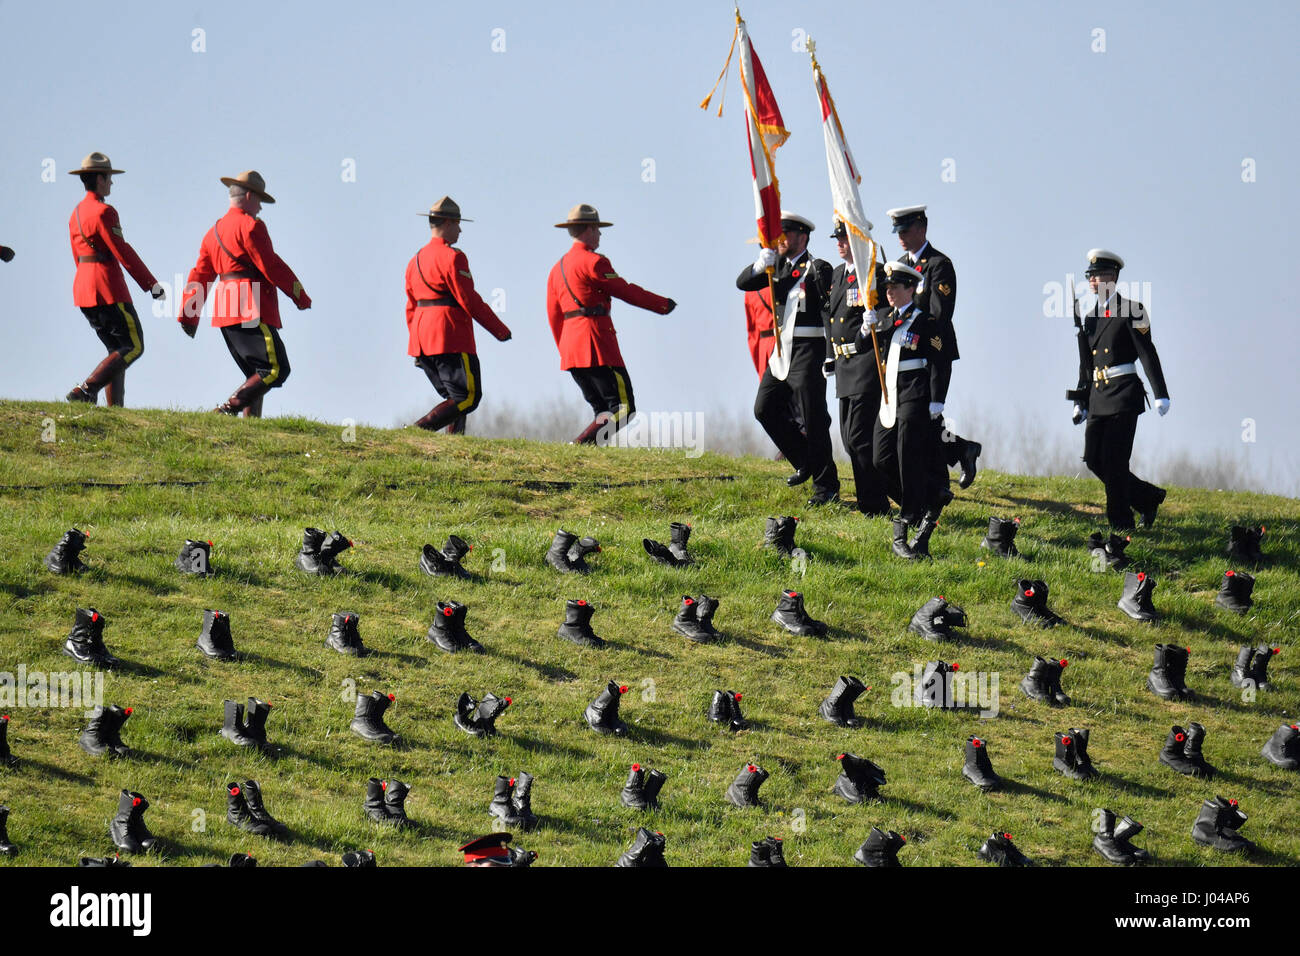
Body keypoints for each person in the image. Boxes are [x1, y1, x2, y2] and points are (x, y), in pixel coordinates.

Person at [177, 170, 311, 417]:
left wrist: (189, 314)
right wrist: (299, 295)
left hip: (225, 311)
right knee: (275, 369)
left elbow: (200, 276)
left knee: (255, 373)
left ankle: (250, 431)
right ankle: (227, 408)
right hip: (249, 304)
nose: (260, 208)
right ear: (249, 195)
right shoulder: (252, 227)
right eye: (259, 200)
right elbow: (271, 265)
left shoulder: (213, 232)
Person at [547, 203, 675, 444]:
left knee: (603, 412)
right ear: (589, 229)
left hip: (572, 351)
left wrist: (564, 349)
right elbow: (625, 291)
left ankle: (586, 455)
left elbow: (553, 315)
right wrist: (661, 304)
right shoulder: (594, 262)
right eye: (597, 228)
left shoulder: (557, 269)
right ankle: (578, 446)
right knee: (624, 408)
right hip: (597, 345)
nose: (600, 234)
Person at [736, 212, 840, 506]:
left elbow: (826, 313)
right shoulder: (776, 267)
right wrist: (760, 264)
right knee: (764, 408)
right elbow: (742, 282)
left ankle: (826, 486)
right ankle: (803, 460)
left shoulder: (817, 268)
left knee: (813, 417)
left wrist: (830, 354)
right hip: (782, 351)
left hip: (810, 348)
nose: (779, 239)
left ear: (802, 237)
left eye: (786, 234)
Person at [1072, 249, 1170, 529]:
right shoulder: (1090, 317)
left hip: (1123, 394)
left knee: (1115, 462)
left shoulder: (1133, 309)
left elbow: (1147, 351)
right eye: (1089, 276)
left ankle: (1121, 524)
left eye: (1097, 275)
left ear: (1112, 277)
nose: (1091, 280)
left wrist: (1160, 392)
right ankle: (1146, 498)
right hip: (1098, 395)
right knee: (1093, 459)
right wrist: (1080, 399)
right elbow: (1086, 363)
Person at [888, 205, 982, 493]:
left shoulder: (939, 264)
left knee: (925, 419)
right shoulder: (900, 265)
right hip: (906, 355)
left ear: (921, 228)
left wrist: (920, 338)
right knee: (921, 424)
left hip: (932, 350)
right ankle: (960, 453)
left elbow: (941, 315)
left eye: (905, 230)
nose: (900, 236)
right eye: (898, 231)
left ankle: (949, 468)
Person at [865, 262, 952, 558]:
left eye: (896, 288)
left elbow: (940, 361)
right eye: (887, 288)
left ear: (911, 289)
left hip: (914, 392)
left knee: (908, 455)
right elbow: (866, 345)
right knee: (880, 457)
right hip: (889, 396)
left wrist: (937, 398)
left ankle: (911, 513)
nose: (890, 293)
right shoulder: (886, 320)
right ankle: (928, 497)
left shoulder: (925, 321)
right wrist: (867, 327)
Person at [405, 197, 512, 434]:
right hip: (449, 336)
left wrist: (416, 345)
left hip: (424, 339)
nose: (460, 229)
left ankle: (454, 445)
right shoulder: (453, 257)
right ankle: (416, 430)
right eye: (457, 223)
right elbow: (469, 299)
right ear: (447, 223)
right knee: (469, 396)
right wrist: (500, 330)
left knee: (454, 397)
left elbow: (411, 307)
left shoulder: (415, 260)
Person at [65, 152, 164, 406]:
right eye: (109, 177)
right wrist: (151, 284)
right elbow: (122, 250)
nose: (112, 183)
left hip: (84, 291)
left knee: (116, 350)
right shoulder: (104, 212)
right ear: (99, 179)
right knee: (134, 345)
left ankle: (114, 409)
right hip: (107, 288)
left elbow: (77, 256)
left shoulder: (76, 213)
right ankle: (86, 389)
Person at [824, 220, 890, 516]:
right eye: (837, 238)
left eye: (845, 238)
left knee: (858, 437)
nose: (839, 243)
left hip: (865, 362)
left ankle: (873, 505)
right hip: (843, 365)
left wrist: (875, 320)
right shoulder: (839, 275)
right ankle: (875, 499)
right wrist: (829, 353)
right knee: (849, 439)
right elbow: (830, 317)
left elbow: (889, 309)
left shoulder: (872, 272)